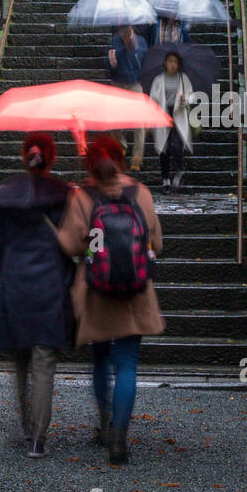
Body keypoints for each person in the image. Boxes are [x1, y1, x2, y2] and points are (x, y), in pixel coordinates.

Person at [55, 136, 164, 465]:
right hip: (135, 290)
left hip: (97, 291)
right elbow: (155, 242)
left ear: (91, 164)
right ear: (121, 159)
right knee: (128, 362)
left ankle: (104, 424)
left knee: (101, 358)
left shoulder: (81, 196)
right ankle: (120, 436)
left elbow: (72, 246)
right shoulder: (141, 193)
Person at [0, 132, 74, 458]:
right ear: (52, 158)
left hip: (15, 284)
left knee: (20, 360)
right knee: (44, 361)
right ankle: (38, 438)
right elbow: (74, 242)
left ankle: (25, 425)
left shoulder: (6, 194)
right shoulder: (63, 195)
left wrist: (0, 274)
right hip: (49, 284)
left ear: (24, 157)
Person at [148, 51, 194, 191]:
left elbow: (192, 96)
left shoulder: (183, 78)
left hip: (178, 114)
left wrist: (184, 99)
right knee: (164, 149)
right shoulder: (158, 79)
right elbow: (152, 99)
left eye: (175, 62)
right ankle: (166, 181)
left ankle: (180, 169)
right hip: (163, 114)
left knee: (176, 145)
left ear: (178, 64)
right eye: (170, 61)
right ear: (165, 63)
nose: (172, 64)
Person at [106, 24, 148, 170]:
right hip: (118, 83)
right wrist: (111, 63)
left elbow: (143, 62)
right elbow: (109, 67)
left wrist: (131, 48)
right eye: (122, 32)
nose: (125, 34)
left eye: (128, 31)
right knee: (114, 119)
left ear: (132, 29)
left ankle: (137, 159)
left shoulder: (140, 42)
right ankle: (121, 147)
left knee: (139, 123)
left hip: (135, 83)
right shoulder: (114, 41)